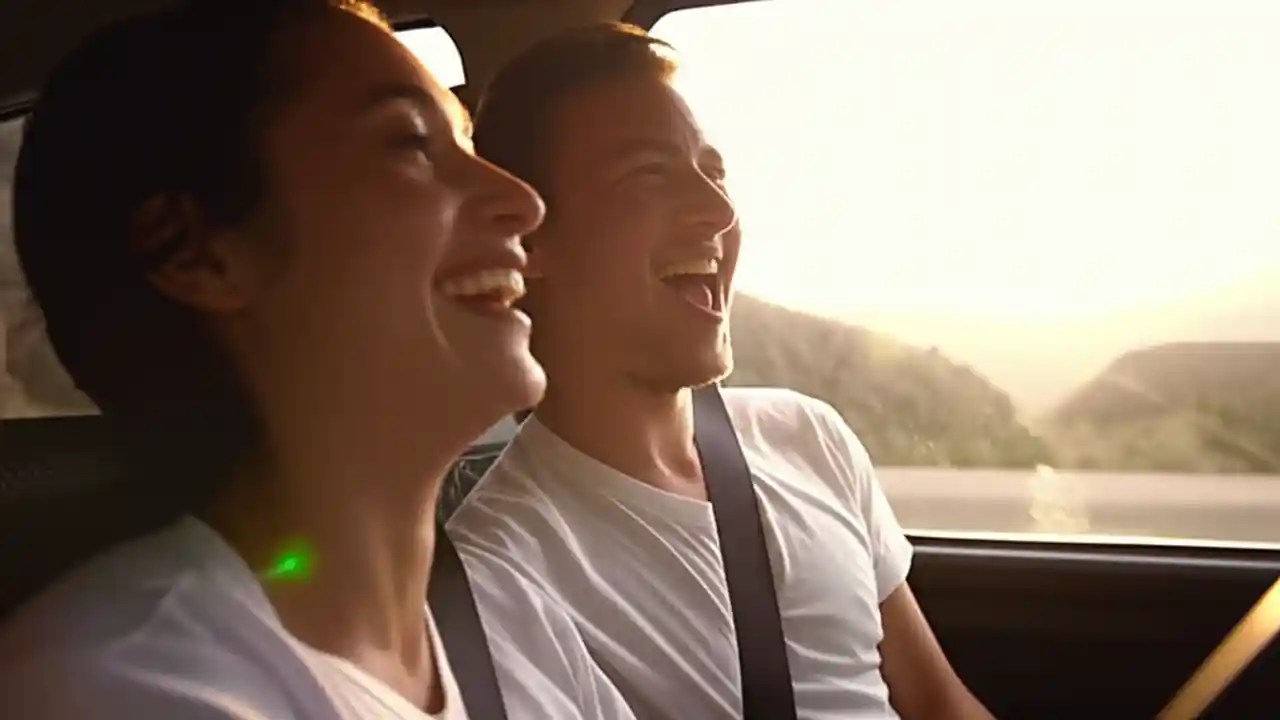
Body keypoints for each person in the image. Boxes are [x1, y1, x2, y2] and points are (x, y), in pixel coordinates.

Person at [0, 3, 632, 718]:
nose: (521, 200)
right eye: (409, 143)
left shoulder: (510, 618)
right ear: (195, 252)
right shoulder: (125, 687)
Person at [448, 23, 993, 720]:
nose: (719, 210)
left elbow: (939, 704)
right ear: (530, 241)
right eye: (649, 173)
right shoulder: (502, 575)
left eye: (713, 171)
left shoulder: (808, 438)